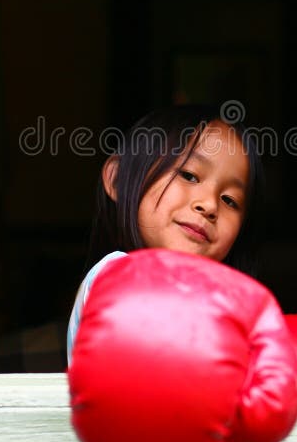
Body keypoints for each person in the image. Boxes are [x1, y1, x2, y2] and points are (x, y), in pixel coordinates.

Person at [66, 104, 265, 363]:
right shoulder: (116, 276)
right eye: (189, 175)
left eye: (230, 200)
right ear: (117, 179)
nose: (210, 205)